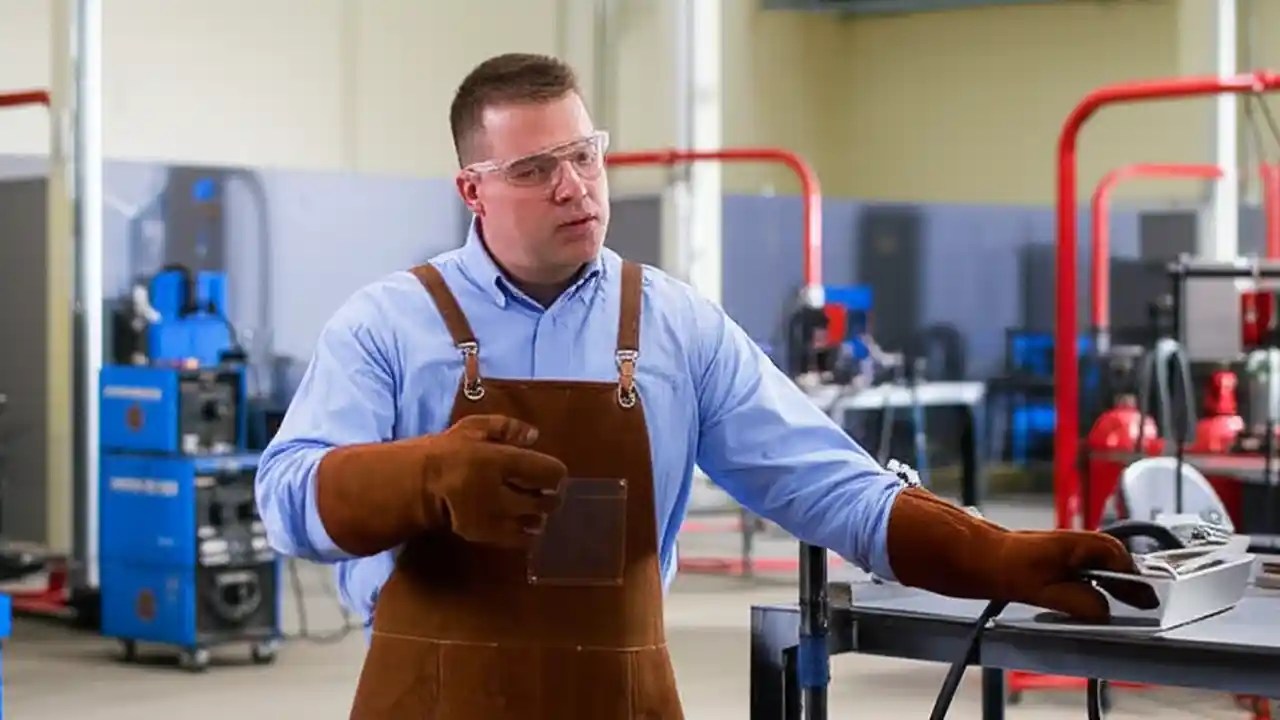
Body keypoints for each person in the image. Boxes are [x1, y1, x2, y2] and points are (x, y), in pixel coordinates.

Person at [255, 52, 1156, 719]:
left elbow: (827, 486)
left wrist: (994, 554)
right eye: (534, 170)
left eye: (584, 155)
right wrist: (418, 478)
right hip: (429, 701)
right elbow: (287, 498)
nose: (574, 187)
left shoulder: (674, 328)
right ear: (473, 189)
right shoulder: (387, 324)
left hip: (619, 697)